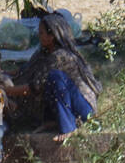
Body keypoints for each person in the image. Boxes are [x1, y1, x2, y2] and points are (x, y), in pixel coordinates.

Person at [11, 12, 102, 142]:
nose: (39, 35)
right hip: (69, 102)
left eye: (42, 33)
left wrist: (5, 90)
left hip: (83, 107)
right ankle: (52, 121)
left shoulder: (60, 56)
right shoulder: (44, 52)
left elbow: (34, 87)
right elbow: (27, 69)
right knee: (50, 83)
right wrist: (3, 73)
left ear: (51, 36)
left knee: (54, 78)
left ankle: (68, 127)